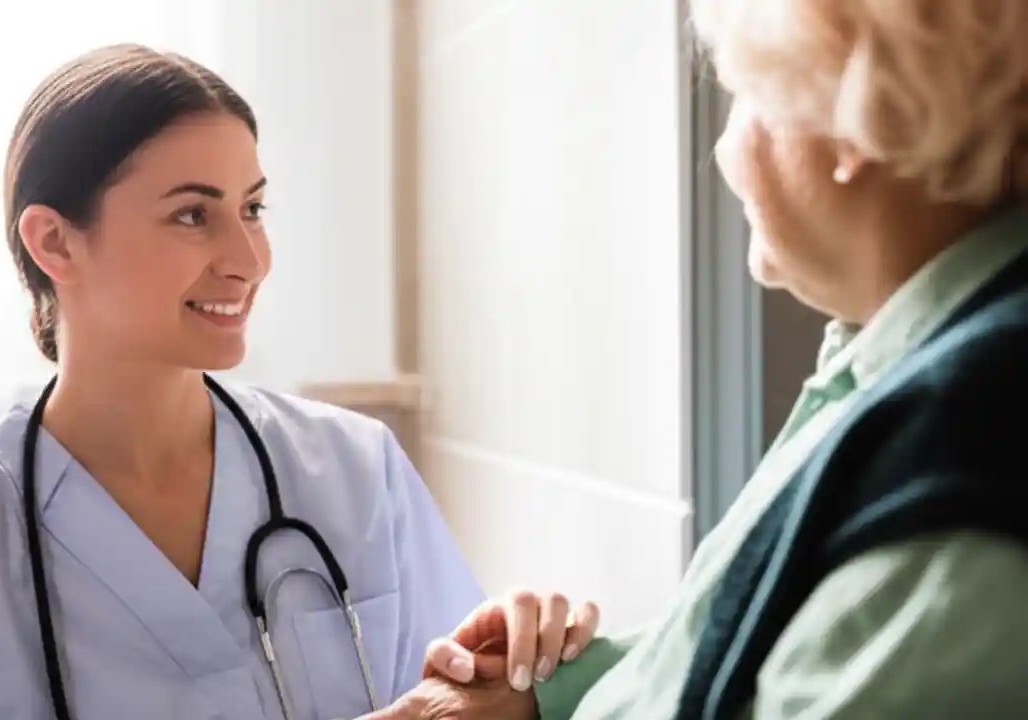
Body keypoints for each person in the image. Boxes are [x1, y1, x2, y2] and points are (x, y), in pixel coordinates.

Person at [0, 45, 599, 720]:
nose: (249, 258)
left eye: (253, 208)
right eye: (193, 215)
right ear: (56, 241)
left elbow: (459, 698)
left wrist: (530, 666)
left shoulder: (358, 473)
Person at [367, 0, 1028, 717]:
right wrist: (545, 698)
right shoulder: (896, 375)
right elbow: (770, 634)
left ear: (855, 110)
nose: (722, 150)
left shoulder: (963, 487)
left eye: (747, 94)